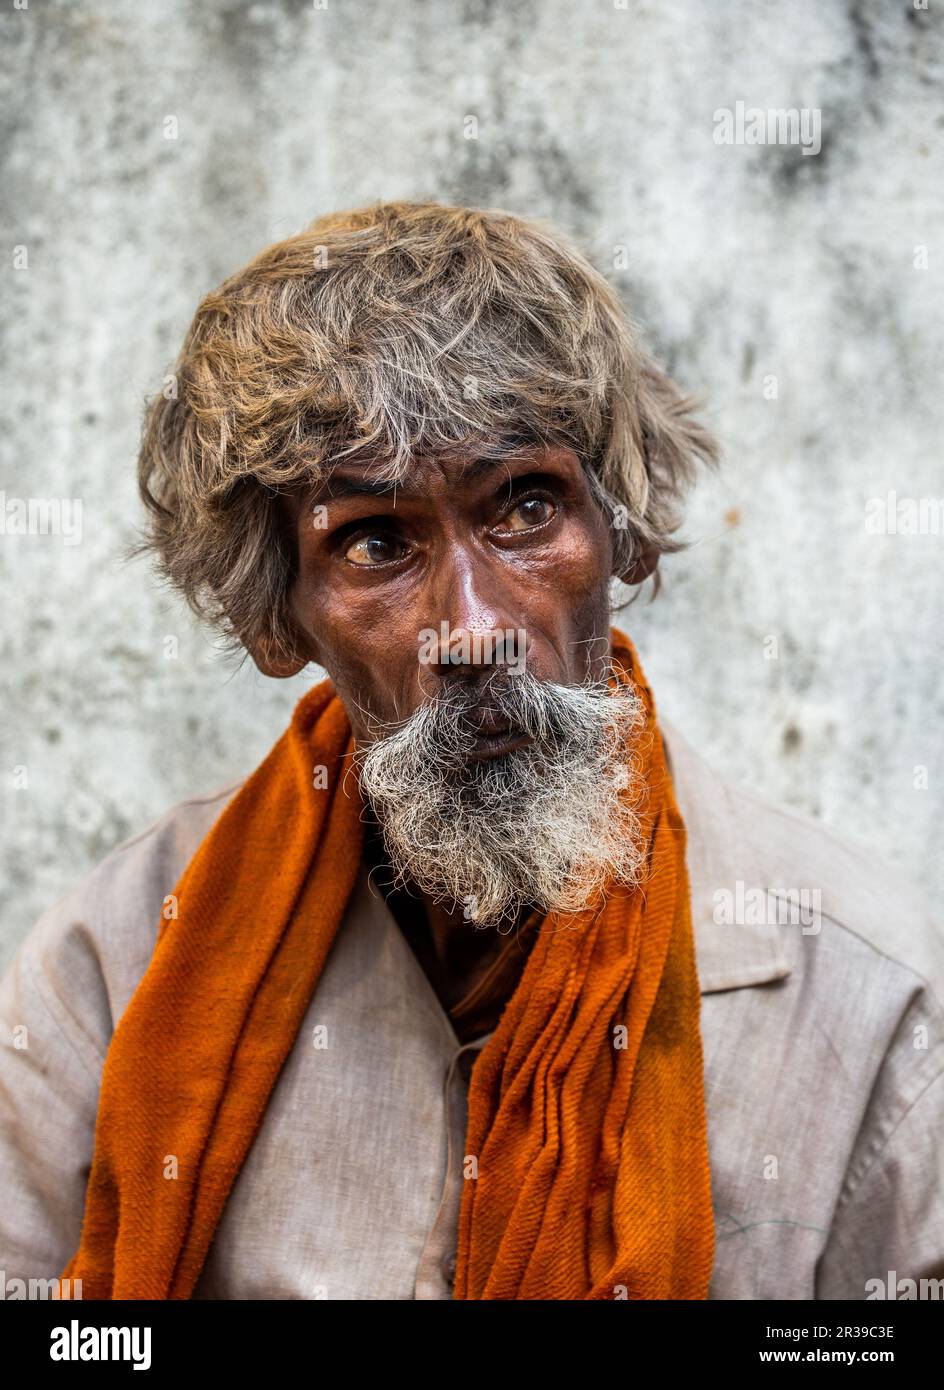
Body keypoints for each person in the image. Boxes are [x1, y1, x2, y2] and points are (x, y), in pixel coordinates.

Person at [2, 201, 942, 1301]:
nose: (474, 625)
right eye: (376, 541)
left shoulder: (857, 990)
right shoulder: (120, 961)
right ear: (278, 618)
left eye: (524, 507)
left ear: (618, 532)